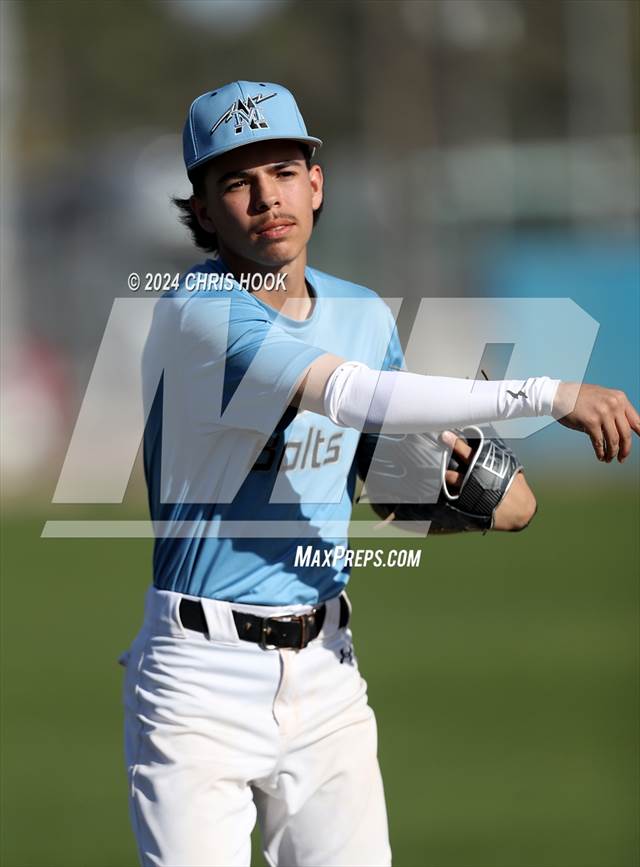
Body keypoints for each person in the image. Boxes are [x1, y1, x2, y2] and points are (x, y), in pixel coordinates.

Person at [119, 80, 640, 867]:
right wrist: (545, 392)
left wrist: (477, 489)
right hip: (198, 682)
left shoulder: (360, 312)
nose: (267, 197)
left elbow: (383, 479)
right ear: (201, 210)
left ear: (316, 181)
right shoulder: (199, 310)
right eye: (236, 181)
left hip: (328, 671)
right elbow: (351, 393)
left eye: (284, 170)